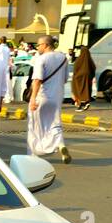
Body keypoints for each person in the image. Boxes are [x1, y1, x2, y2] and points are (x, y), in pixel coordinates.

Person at [28, 34, 70, 163]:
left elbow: (37, 80)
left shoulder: (41, 59)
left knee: (34, 125)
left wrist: (33, 98)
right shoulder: (63, 58)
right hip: (57, 97)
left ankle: (33, 154)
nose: (37, 47)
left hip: (42, 96)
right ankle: (60, 144)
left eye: (38, 45)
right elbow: (65, 78)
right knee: (55, 123)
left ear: (45, 45)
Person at [71, 45, 94, 110]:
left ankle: (80, 105)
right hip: (88, 78)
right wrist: (91, 76)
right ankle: (86, 102)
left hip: (79, 78)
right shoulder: (89, 60)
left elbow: (75, 68)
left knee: (77, 90)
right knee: (87, 90)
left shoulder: (79, 59)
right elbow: (94, 68)